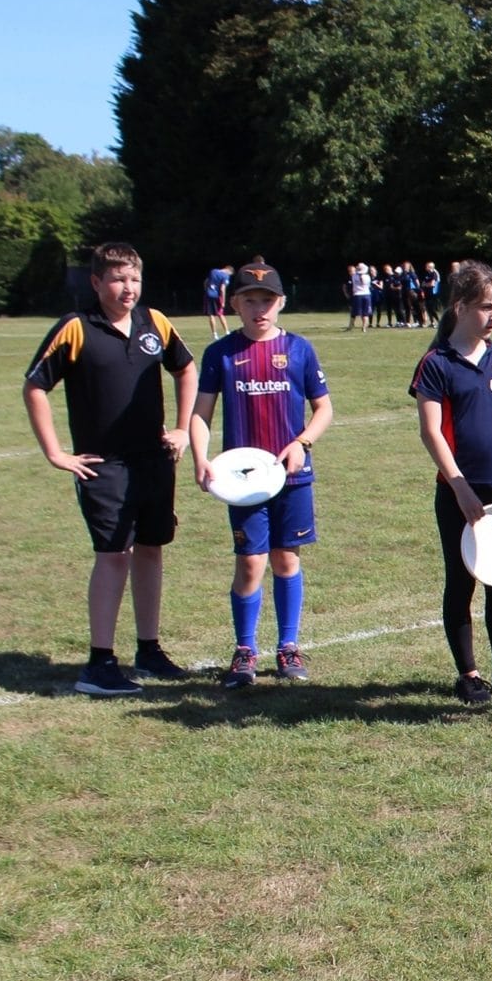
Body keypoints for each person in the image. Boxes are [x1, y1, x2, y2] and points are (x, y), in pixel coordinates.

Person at [23, 242, 198, 697]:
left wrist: (180, 429)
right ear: (96, 282)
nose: (128, 289)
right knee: (113, 555)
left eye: (135, 279)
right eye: (118, 280)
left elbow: (186, 368)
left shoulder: (154, 322)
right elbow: (35, 386)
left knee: (151, 548)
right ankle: (99, 662)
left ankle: (149, 650)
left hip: (155, 460)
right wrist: (55, 452)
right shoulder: (76, 328)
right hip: (105, 466)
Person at [190, 261, 336, 688]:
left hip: (291, 476)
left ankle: (288, 646)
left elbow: (323, 408)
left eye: (267, 300)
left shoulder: (299, 349)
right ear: (233, 303)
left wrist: (301, 443)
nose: (259, 309)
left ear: (281, 303)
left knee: (286, 558)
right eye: (250, 300)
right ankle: (245, 649)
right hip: (242, 482)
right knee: (251, 563)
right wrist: (201, 457)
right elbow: (201, 414)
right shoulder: (221, 353)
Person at [410, 261, 492, 705]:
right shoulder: (436, 363)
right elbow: (431, 432)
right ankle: (468, 674)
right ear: (460, 306)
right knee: (462, 580)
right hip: (459, 494)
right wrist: (459, 486)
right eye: (486, 306)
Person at [204, 264, 233, 339]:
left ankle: (214, 334)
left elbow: (206, 282)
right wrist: (223, 301)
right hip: (217, 296)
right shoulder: (225, 276)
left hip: (208, 294)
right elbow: (222, 289)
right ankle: (227, 332)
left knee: (211, 315)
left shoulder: (213, 271)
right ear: (229, 271)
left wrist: (207, 290)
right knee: (220, 314)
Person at [347, 262, 375, 331]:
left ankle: (350, 326)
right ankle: (364, 327)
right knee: (365, 313)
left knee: (354, 312)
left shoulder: (354, 276)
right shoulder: (367, 276)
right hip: (366, 294)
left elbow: (354, 285)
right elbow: (368, 286)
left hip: (357, 295)